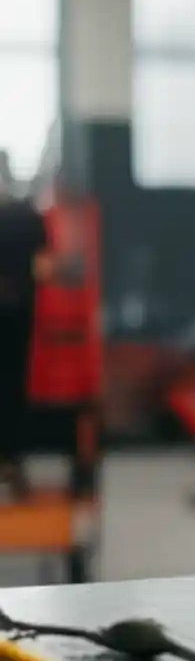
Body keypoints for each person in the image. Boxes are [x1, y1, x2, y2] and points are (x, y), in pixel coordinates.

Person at [0, 150, 47, 499]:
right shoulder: (27, 215)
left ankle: (11, 463)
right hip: (18, 317)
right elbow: (43, 268)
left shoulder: (25, 216)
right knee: (12, 390)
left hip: (16, 319)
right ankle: (11, 464)